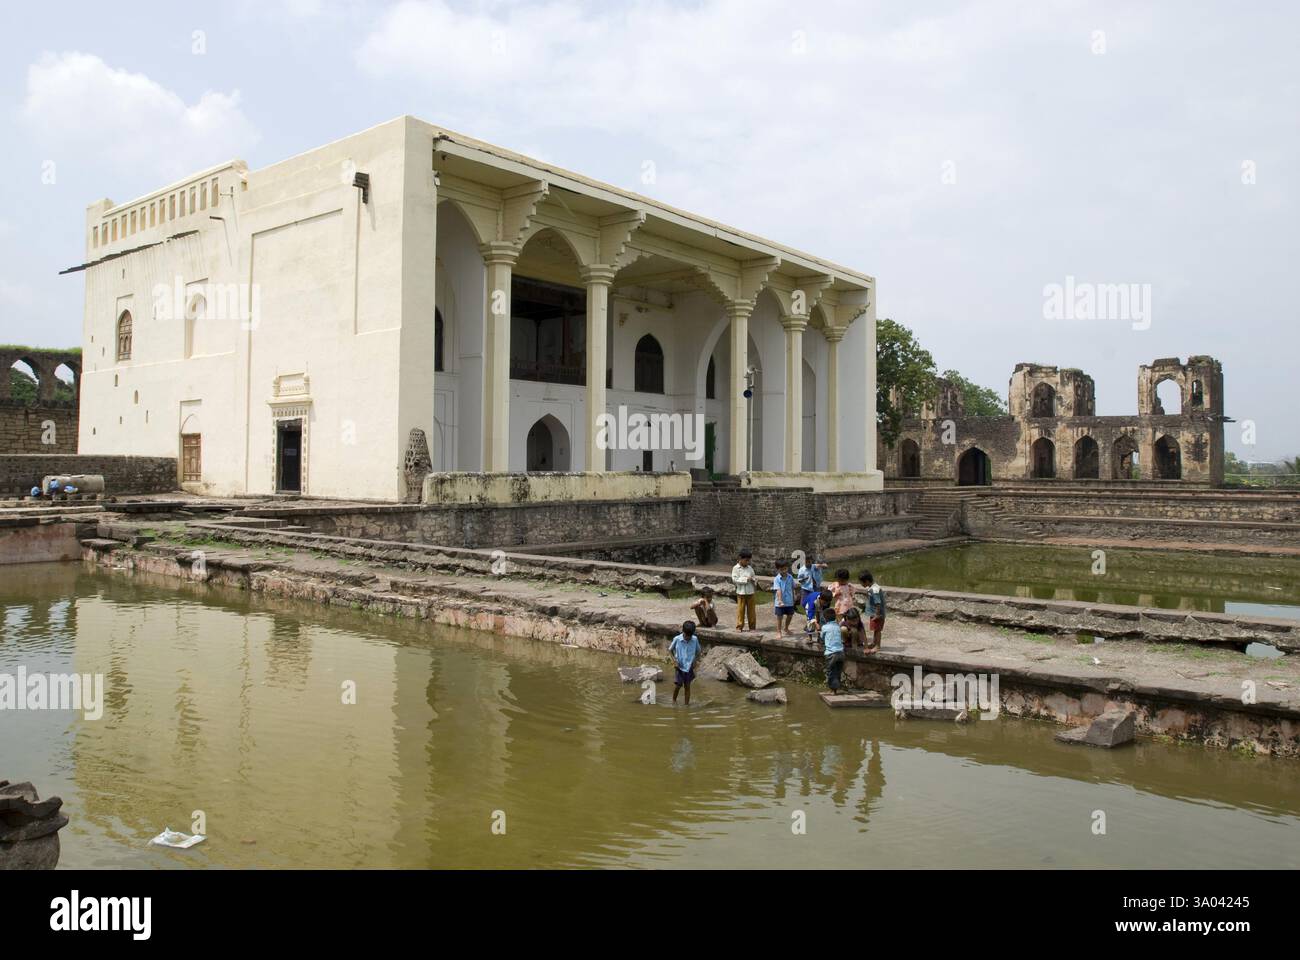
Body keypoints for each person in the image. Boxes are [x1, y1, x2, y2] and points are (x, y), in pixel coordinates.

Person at [668, 621, 702, 705]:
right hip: (679, 666)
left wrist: (695, 661)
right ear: (683, 631)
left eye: (690, 636)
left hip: (689, 666)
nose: (688, 638)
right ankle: (674, 701)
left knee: (687, 686)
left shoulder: (694, 639)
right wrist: (674, 661)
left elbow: (698, 651)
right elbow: (670, 650)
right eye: (687, 636)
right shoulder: (677, 639)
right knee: (678, 685)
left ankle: (686, 705)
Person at [859, 570, 886, 653]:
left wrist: (877, 614)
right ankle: (874, 643)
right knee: (875, 629)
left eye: (861, 582)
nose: (861, 584)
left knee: (877, 630)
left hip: (877, 614)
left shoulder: (874, 590)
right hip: (875, 613)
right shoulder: (873, 588)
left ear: (866, 581)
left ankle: (878, 646)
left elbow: (878, 603)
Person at [731, 550, 758, 631]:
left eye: (749, 560)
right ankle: (739, 626)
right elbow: (735, 579)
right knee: (741, 610)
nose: (747, 562)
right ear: (740, 559)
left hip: (750, 592)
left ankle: (752, 627)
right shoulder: (735, 568)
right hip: (741, 592)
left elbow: (754, 577)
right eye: (746, 560)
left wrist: (754, 580)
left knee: (751, 611)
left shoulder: (750, 568)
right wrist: (746, 579)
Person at [821, 611, 846, 693]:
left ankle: (832, 690)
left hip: (831, 653)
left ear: (825, 619)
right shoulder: (838, 626)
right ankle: (836, 689)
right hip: (841, 652)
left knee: (831, 672)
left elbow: (822, 637)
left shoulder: (824, 627)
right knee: (838, 671)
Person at [771, 559, 796, 638]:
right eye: (781, 569)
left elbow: (792, 587)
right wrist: (780, 600)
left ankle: (786, 628)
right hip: (779, 602)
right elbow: (778, 590)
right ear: (778, 570)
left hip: (789, 600)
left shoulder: (790, 577)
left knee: (790, 615)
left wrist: (794, 596)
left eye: (785, 569)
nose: (784, 571)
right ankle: (779, 631)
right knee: (779, 617)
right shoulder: (777, 579)